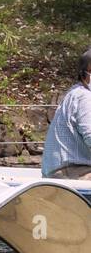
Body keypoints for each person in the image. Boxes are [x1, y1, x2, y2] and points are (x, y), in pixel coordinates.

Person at [42, 47, 91, 179]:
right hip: (70, 172)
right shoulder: (85, 97)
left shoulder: (75, 93)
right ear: (88, 71)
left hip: (62, 170)